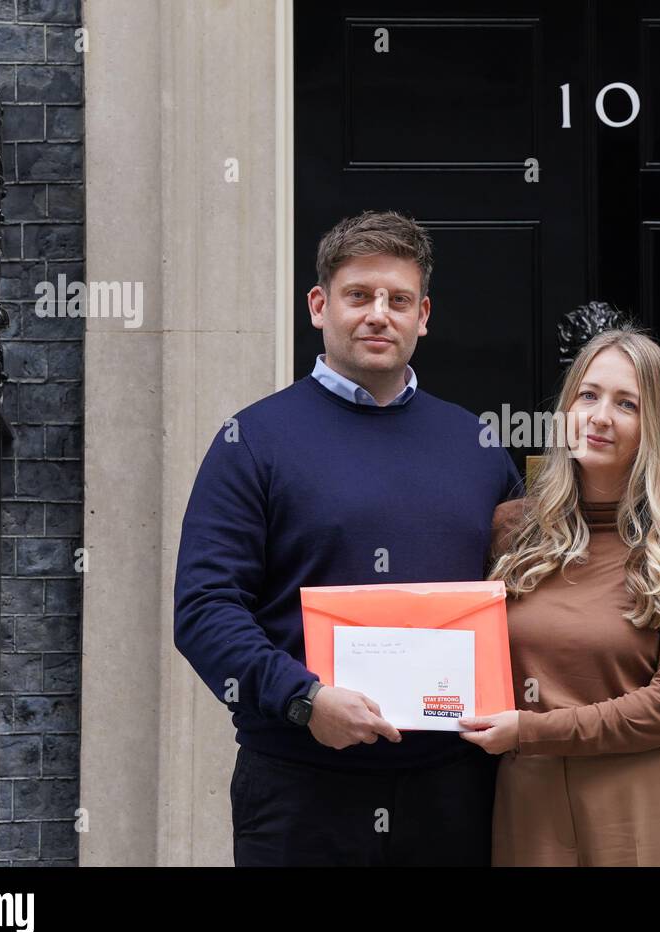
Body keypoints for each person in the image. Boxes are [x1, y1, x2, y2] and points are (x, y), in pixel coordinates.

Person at [173, 210, 522, 865]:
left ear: (423, 315)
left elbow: (526, 600)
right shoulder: (253, 442)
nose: (377, 315)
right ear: (319, 305)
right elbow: (204, 610)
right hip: (300, 791)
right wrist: (304, 701)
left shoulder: (474, 446)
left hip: (452, 790)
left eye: (397, 300)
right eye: (358, 296)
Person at [459, 323, 660, 866]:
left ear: (654, 426)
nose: (600, 417)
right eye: (588, 395)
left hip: (646, 798)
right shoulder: (513, 530)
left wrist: (532, 729)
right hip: (532, 801)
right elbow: (464, 651)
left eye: (627, 404)